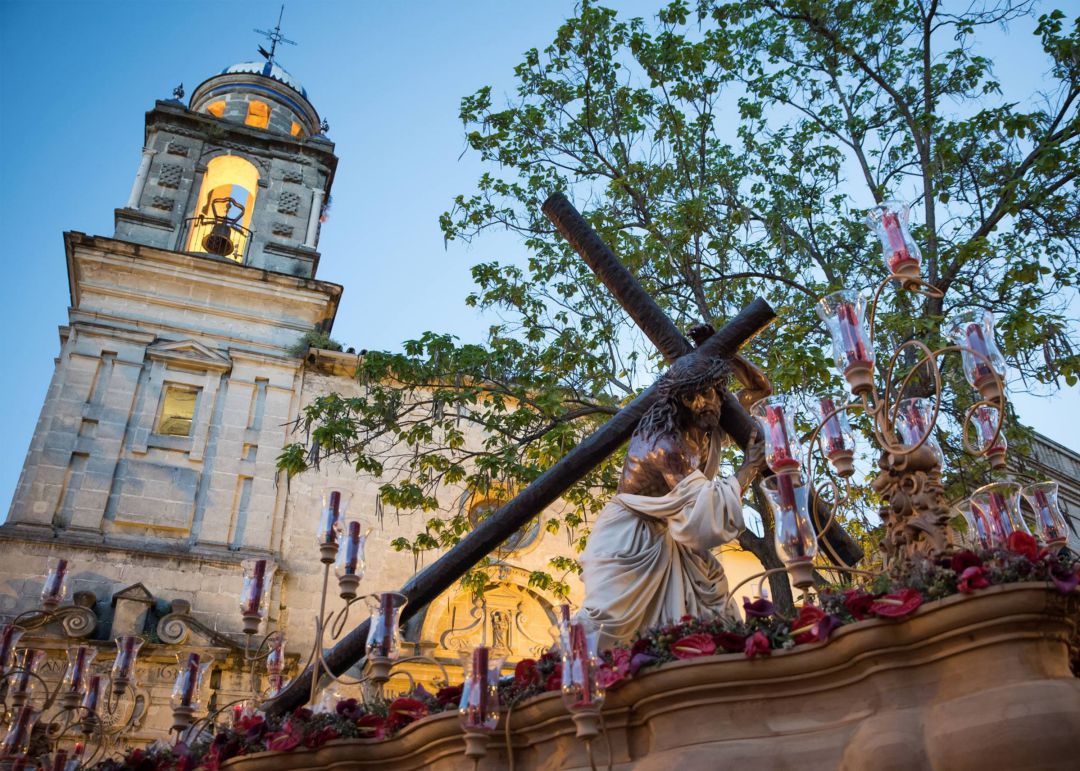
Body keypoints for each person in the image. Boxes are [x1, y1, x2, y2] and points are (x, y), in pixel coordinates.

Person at [578, 352, 767, 645]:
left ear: (719, 391)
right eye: (692, 398)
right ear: (679, 401)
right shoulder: (664, 443)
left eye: (707, 393)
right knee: (606, 630)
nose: (702, 403)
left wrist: (723, 350)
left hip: (673, 537)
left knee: (711, 614)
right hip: (630, 539)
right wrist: (749, 468)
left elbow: (760, 390)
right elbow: (703, 513)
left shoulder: (709, 424)